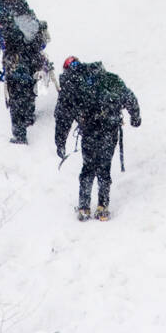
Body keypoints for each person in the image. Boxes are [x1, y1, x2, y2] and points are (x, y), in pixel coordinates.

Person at [55, 57, 141, 220]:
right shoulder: (108, 78)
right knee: (104, 166)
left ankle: (84, 207)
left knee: (88, 167)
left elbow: (63, 117)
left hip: (90, 130)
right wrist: (135, 117)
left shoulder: (73, 87)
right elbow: (128, 96)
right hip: (110, 127)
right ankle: (103, 206)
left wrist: (60, 141)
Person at [0, 0, 51, 145]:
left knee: (15, 96)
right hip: (34, 59)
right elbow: (42, 43)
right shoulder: (28, 15)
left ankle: (19, 136)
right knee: (29, 87)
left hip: (13, 61)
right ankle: (29, 116)